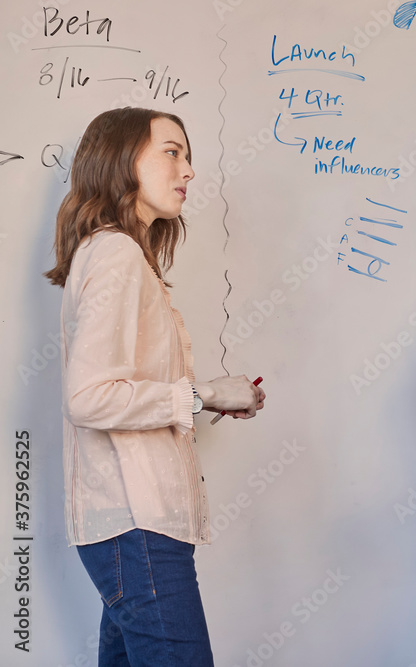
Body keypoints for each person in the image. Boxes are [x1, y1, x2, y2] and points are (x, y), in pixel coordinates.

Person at [46, 108, 266, 666]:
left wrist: (201, 395)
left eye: (187, 156)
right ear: (122, 161)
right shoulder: (116, 254)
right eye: (172, 152)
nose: (188, 170)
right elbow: (88, 397)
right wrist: (205, 394)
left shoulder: (120, 256)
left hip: (133, 525)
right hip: (135, 525)